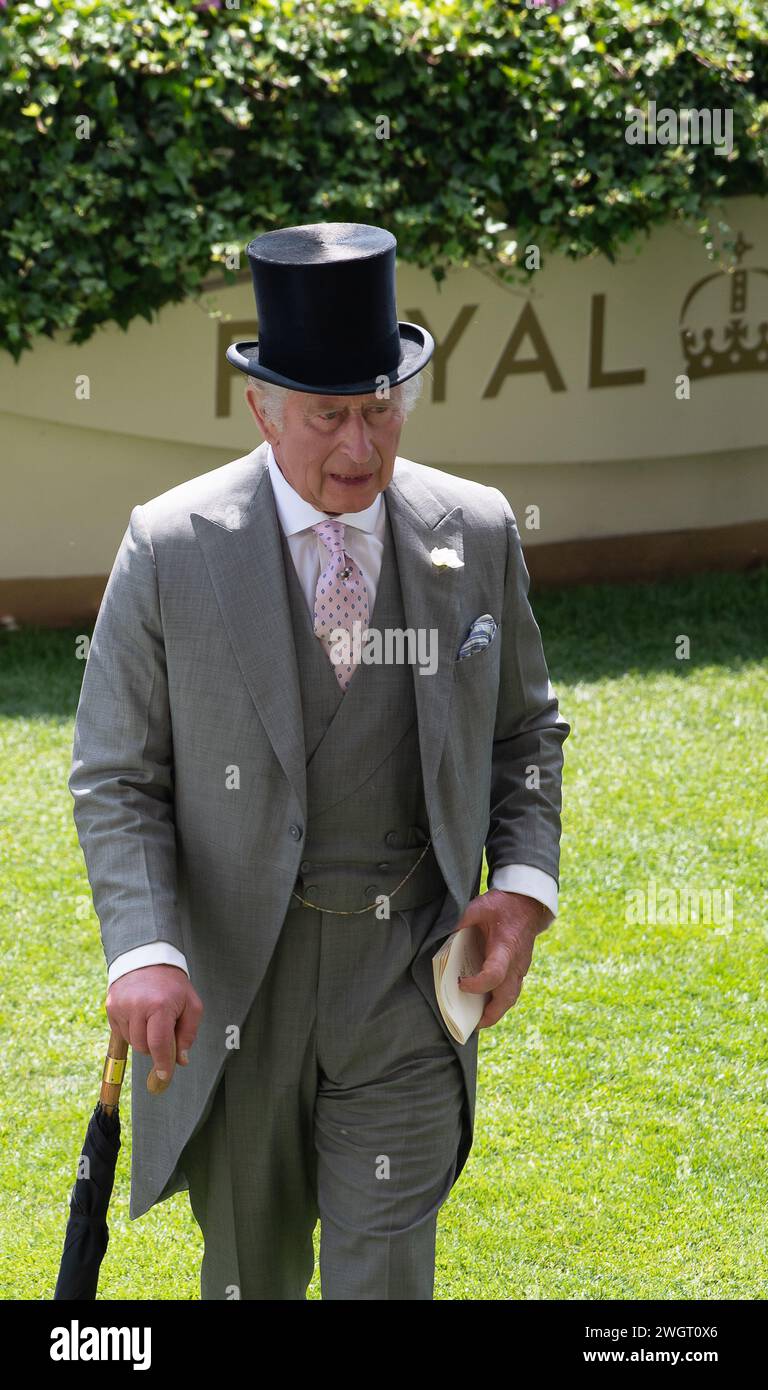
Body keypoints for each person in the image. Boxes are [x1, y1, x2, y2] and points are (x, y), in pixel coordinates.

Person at [69, 221, 570, 1300]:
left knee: (384, 1277)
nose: (360, 444)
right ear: (260, 406)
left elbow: (527, 733)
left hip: (407, 984)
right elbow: (117, 776)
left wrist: (522, 890)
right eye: (328, 416)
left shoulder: (475, 530)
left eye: (380, 406)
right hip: (238, 988)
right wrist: (144, 949)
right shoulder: (170, 547)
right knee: (249, 1278)